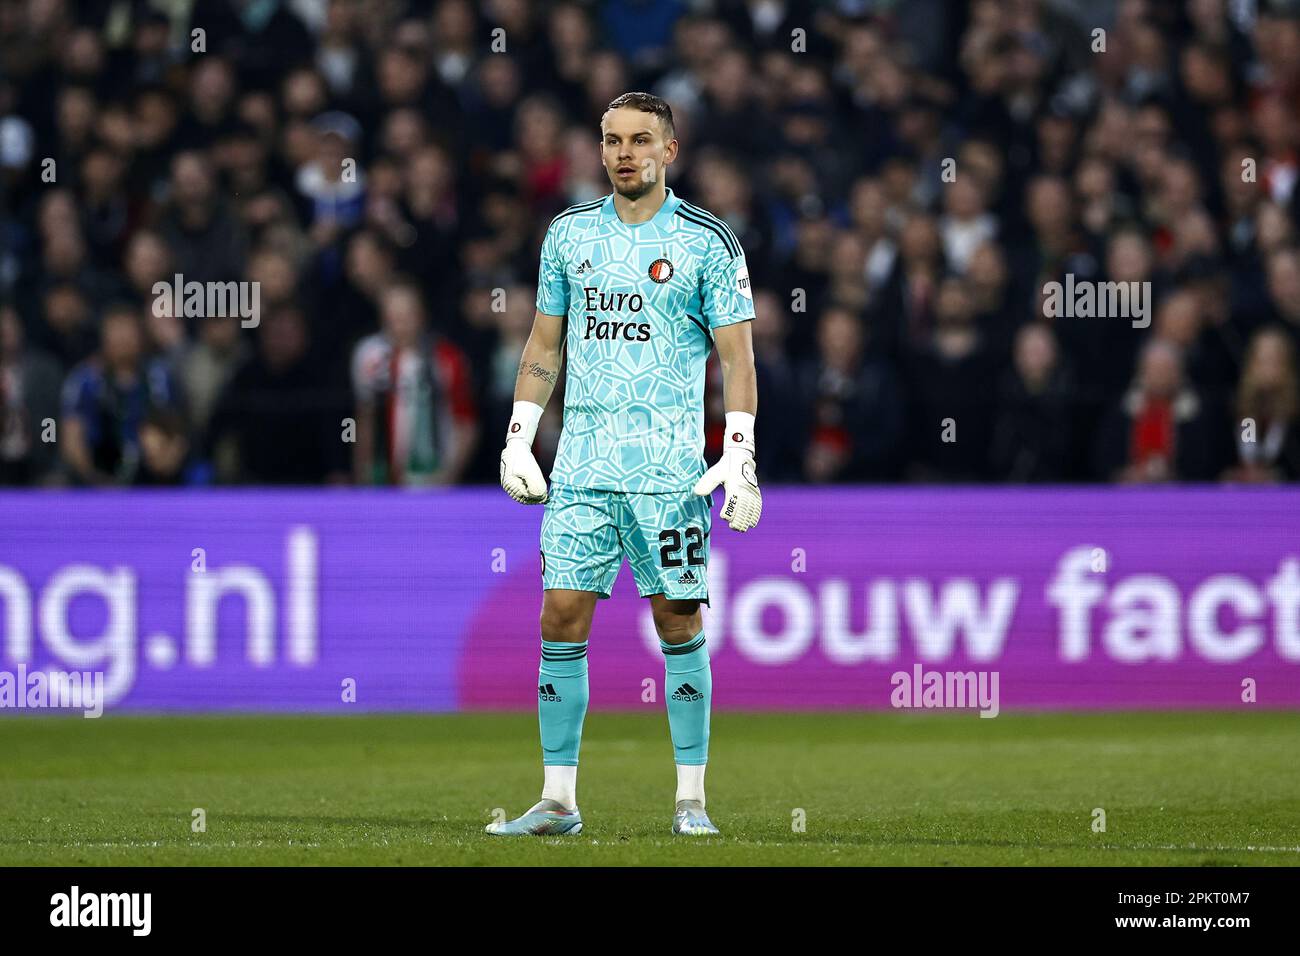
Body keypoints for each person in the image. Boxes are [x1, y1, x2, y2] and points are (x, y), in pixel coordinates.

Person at [491, 93, 761, 837]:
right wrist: (519, 436)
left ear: (670, 150)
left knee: (677, 623)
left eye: (641, 140)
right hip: (581, 468)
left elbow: (737, 356)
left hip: (670, 473)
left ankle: (691, 801)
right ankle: (557, 800)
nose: (624, 153)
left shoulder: (709, 241)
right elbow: (545, 345)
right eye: (612, 140)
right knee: (559, 617)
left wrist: (739, 453)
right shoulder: (569, 235)